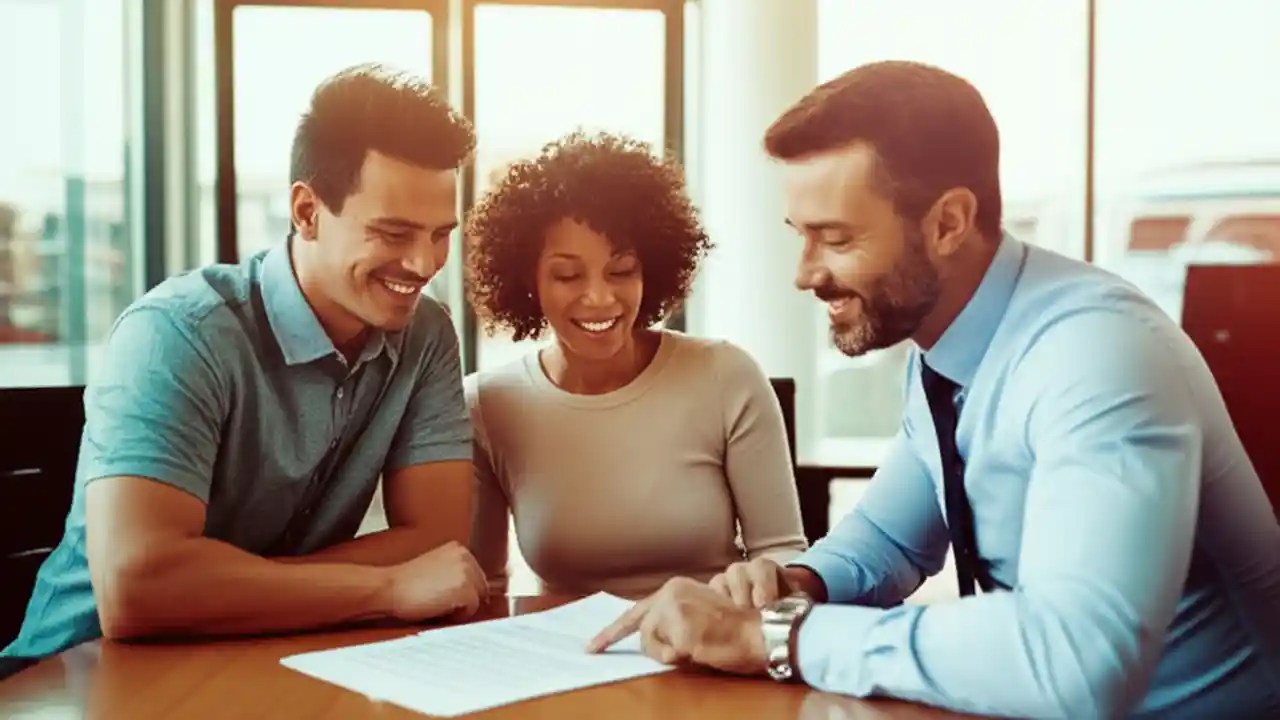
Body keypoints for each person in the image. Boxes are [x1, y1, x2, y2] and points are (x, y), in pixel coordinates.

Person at [588, 61, 1280, 718]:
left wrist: (778, 640)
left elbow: (1075, 663)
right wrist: (792, 588)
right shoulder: (949, 348)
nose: (804, 274)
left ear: (948, 222)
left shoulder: (1097, 357)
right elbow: (891, 537)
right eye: (800, 236)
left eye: (835, 238)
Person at [1, 63, 488, 660]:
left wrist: (225, 584)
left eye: (441, 234)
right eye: (393, 233)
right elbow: (137, 591)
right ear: (307, 212)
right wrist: (385, 585)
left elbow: (437, 543)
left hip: (269, 655)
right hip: (77, 675)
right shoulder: (177, 334)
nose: (423, 263)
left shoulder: (425, 332)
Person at [463, 130, 808, 598]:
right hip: (566, 659)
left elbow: (783, 555)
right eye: (567, 275)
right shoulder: (488, 405)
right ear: (528, 279)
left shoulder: (725, 376)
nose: (600, 298)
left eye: (621, 271)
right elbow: (484, 584)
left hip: (709, 650)